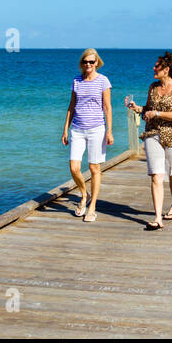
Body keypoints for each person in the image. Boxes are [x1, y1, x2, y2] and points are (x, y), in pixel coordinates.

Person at [125, 52, 172, 229]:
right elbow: (148, 109)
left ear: (166, 69)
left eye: (157, 66)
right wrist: (137, 108)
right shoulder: (152, 87)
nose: (153, 68)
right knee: (156, 175)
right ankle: (158, 217)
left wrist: (157, 113)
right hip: (153, 133)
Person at [62, 48, 114, 222]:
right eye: (86, 62)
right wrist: (65, 129)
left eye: (92, 62)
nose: (89, 65)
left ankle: (92, 207)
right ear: (82, 63)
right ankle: (84, 194)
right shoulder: (77, 81)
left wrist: (109, 131)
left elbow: (107, 107)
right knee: (74, 167)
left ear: (97, 63)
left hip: (96, 129)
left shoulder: (103, 81)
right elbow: (71, 105)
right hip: (77, 128)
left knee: (94, 168)